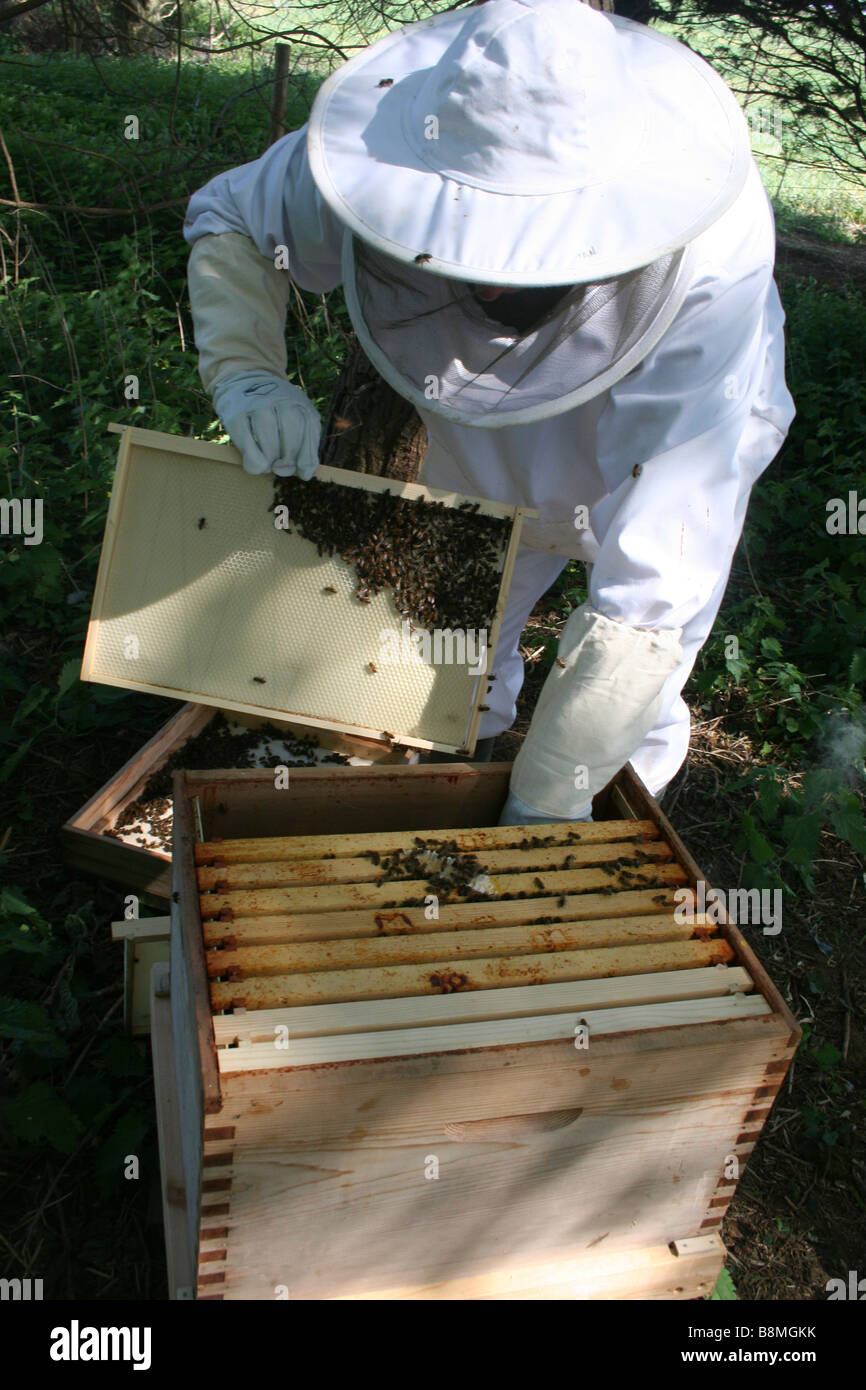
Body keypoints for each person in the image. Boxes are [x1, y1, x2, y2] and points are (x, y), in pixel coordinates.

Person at [183, 0, 795, 825]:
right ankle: (452, 764)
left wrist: (551, 801)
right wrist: (250, 375)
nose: (497, 287)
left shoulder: (712, 251)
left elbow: (653, 591)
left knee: (637, 674)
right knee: (452, 627)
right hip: (474, 422)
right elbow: (234, 219)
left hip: (667, 428)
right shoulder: (386, 149)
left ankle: (600, 818)